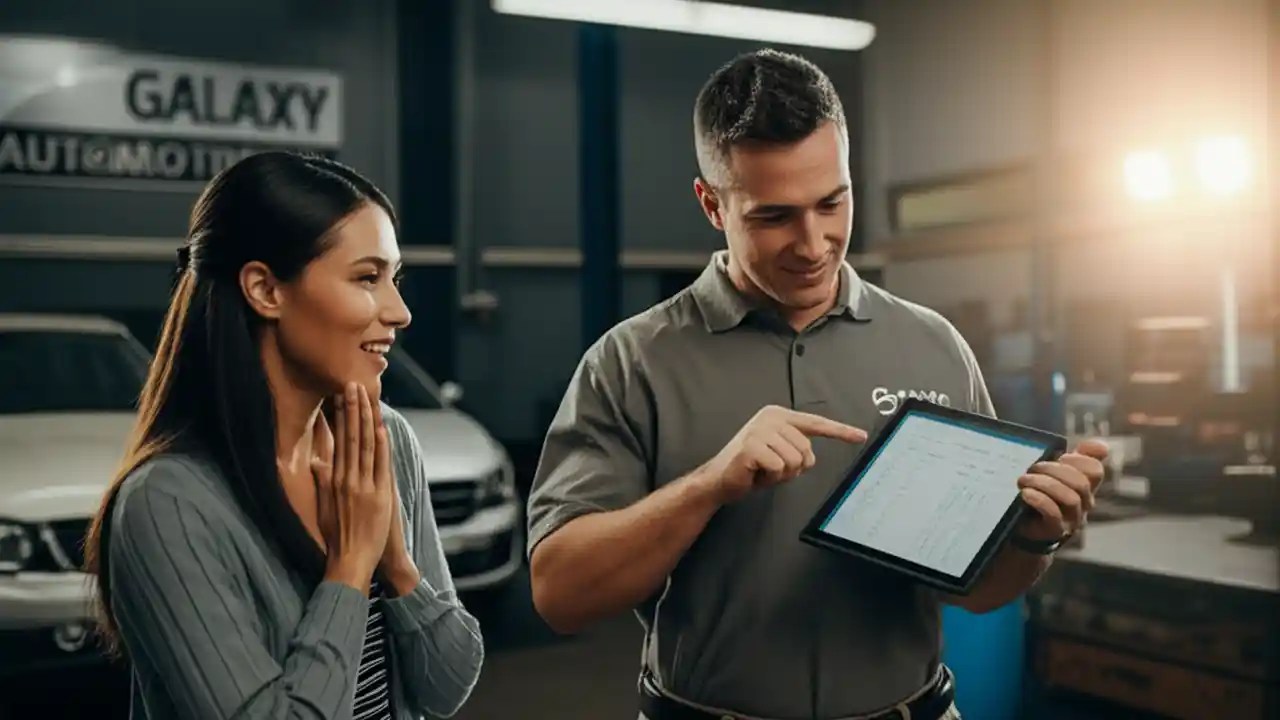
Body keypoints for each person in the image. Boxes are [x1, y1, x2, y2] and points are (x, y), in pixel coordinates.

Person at [526, 49, 1107, 720]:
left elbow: (974, 592)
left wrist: (1037, 535)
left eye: (832, 202)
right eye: (774, 216)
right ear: (711, 203)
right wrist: (710, 485)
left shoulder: (934, 346)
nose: (814, 242)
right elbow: (559, 594)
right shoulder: (630, 363)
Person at [83, 152, 484, 720]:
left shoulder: (383, 442)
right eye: (367, 278)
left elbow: (445, 689)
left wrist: (396, 566)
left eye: (394, 279)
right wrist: (349, 568)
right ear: (265, 290)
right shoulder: (169, 504)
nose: (399, 311)